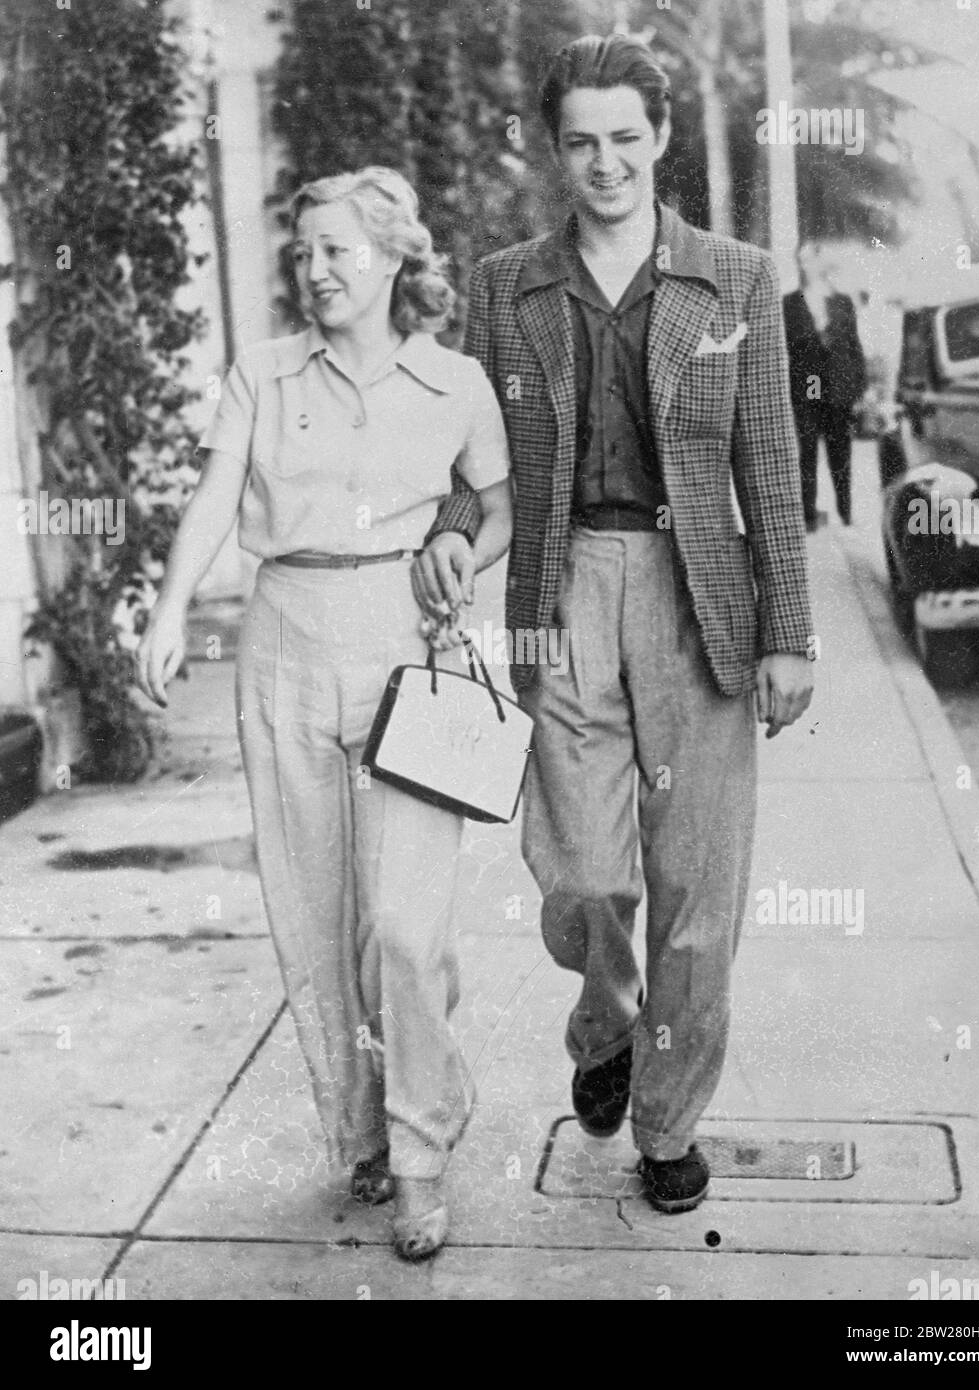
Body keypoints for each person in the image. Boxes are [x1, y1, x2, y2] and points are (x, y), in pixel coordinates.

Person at [418, 34, 814, 1216]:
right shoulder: (505, 286)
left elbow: (770, 465)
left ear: (660, 141)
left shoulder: (732, 279)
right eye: (580, 141)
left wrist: (788, 632)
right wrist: (449, 530)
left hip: (701, 594)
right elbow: (474, 461)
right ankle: (601, 1019)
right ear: (553, 147)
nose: (604, 163)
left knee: (697, 895)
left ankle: (666, 1118)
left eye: (624, 139)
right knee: (581, 873)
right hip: (557, 588)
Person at [136, 168, 512, 1261]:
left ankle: (420, 1151)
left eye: (337, 249)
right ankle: (360, 1130)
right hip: (286, 637)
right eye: (303, 252)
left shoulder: (454, 382)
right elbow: (214, 495)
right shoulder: (261, 372)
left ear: (395, 256)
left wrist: (458, 546)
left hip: (410, 642)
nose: (316, 270)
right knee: (311, 911)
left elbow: (500, 505)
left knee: (404, 923)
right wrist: (167, 610)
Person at [782, 241, 867, 530]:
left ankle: (845, 511)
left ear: (822, 263)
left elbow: (854, 346)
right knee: (806, 452)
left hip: (838, 389)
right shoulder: (790, 304)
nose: (808, 265)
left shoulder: (842, 302)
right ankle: (808, 515)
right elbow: (785, 350)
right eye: (802, 260)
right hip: (807, 387)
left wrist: (859, 389)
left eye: (813, 259)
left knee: (840, 452)